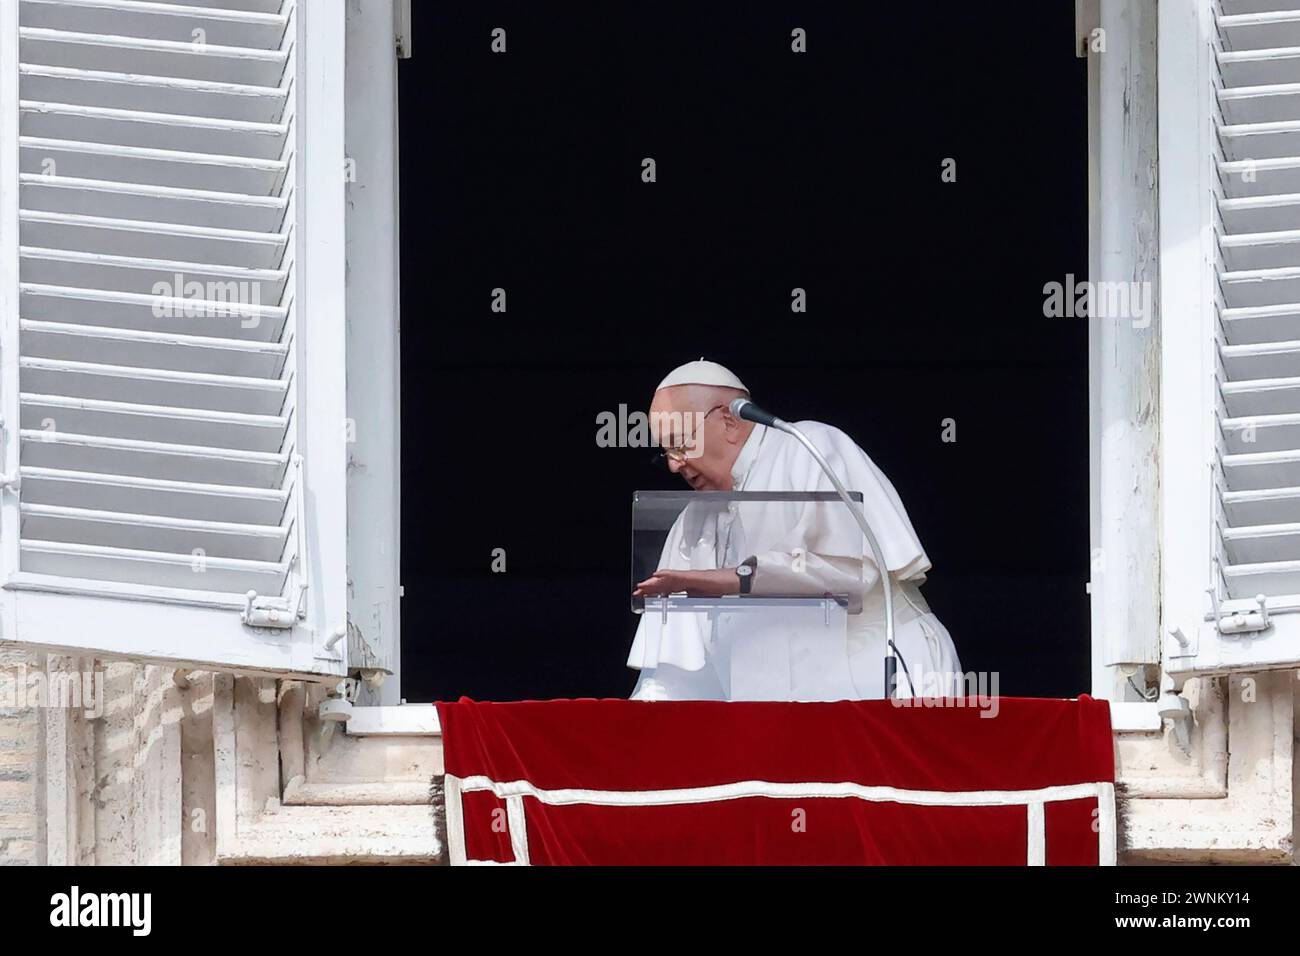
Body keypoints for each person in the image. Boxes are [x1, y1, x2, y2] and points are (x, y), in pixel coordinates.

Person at [627, 359, 961, 701]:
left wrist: (729, 579)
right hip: (778, 719)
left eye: (681, 443)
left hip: (879, 678)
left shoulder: (808, 447)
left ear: (727, 420)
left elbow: (851, 573)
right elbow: (678, 672)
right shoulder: (691, 522)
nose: (672, 464)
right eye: (666, 452)